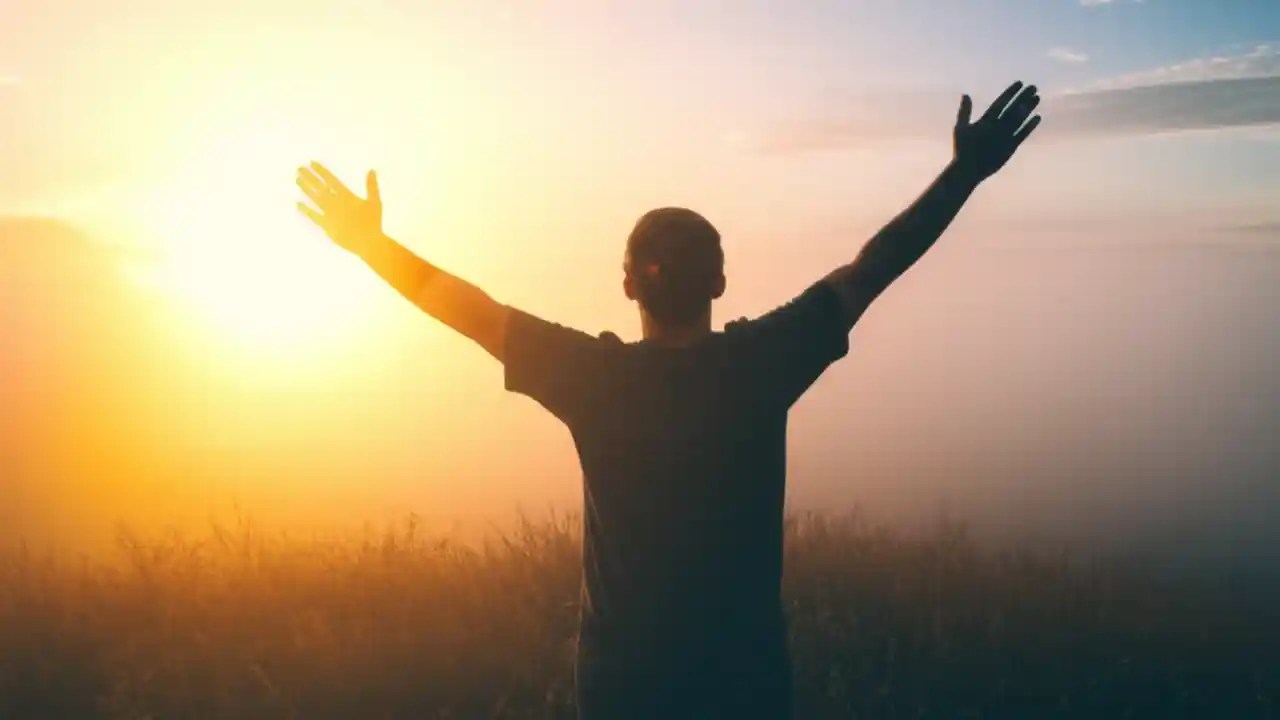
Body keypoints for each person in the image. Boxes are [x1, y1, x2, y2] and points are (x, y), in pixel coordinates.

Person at [295, 81, 1042, 719]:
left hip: (624, 687)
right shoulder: (763, 362)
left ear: (628, 285)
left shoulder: (590, 376)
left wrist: (370, 246)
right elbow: (870, 270)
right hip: (745, 684)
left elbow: (471, 311)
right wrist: (963, 175)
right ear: (719, 282)